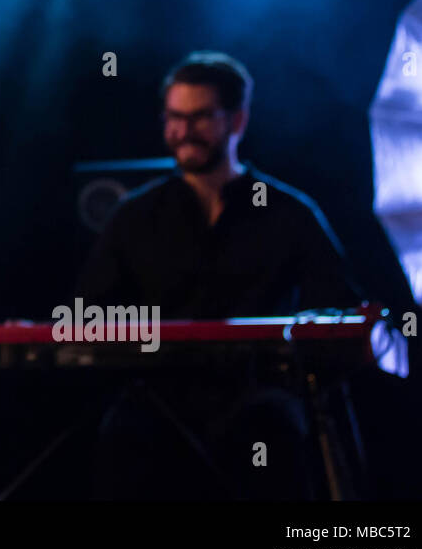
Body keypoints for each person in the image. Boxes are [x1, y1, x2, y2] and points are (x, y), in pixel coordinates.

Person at [77, 52, 363, 498]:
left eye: (200, 117)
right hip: (158, 394)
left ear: (238, 121)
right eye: (174, 117)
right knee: (124, 432)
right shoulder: (133, 216)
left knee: (269, 432)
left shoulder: (289, 211)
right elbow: (92, 311)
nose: (184, 131)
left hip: (258, 394)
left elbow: (336, 306)